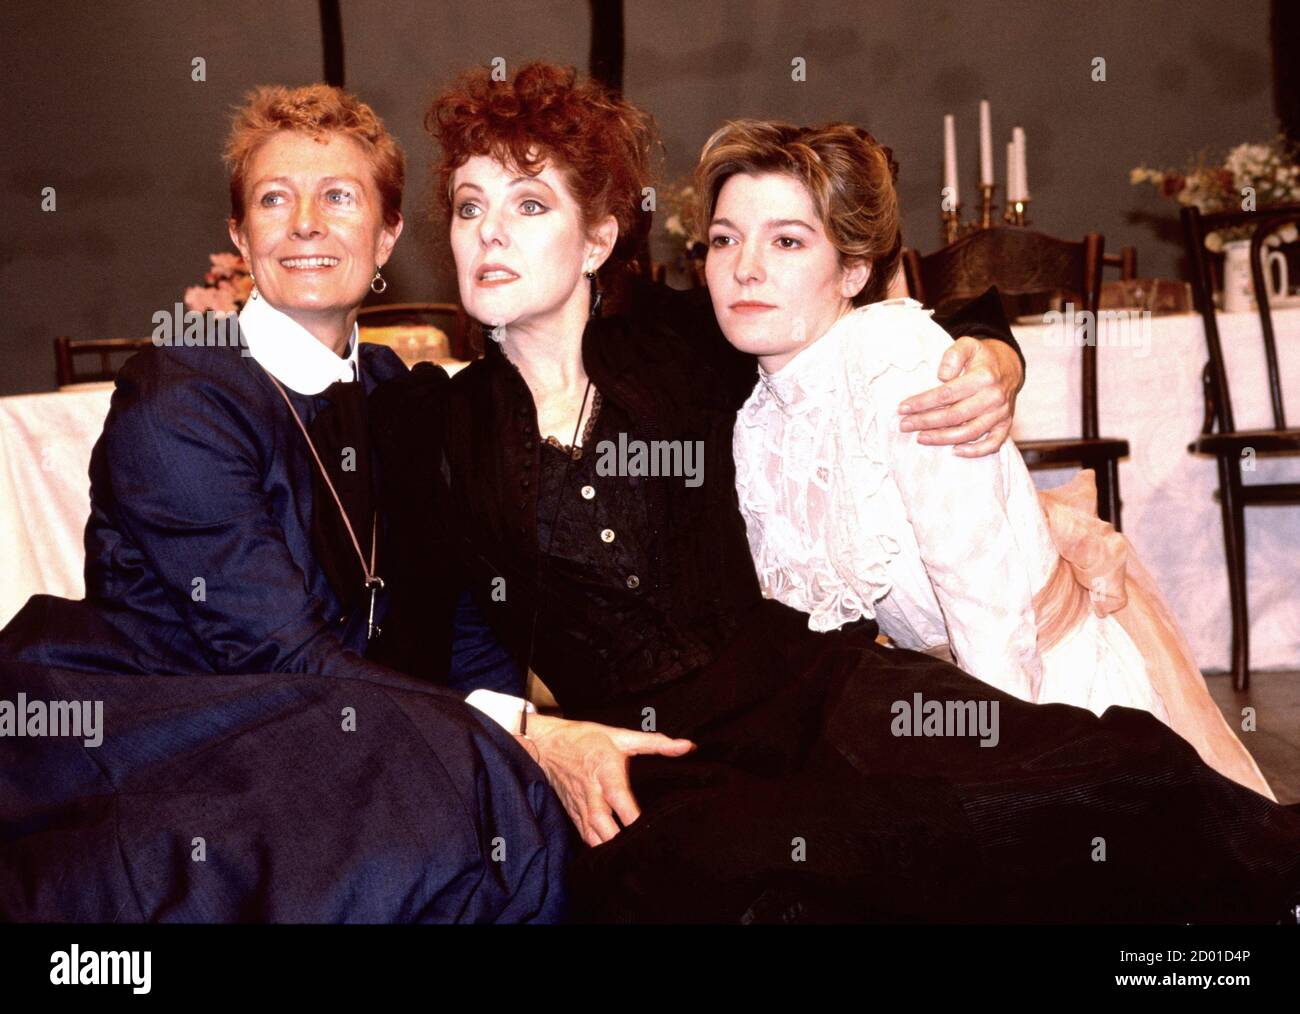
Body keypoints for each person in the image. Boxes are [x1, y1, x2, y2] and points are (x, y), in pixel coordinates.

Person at [373, 61, 1300, 923]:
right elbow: (410, 660)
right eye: (466, 207)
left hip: (818, 689)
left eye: (528, 204)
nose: (488, 232)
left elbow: (893, 302)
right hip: (651, 761)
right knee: (771, 880)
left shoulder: (687, 344)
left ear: (599, 238)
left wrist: (992, 358)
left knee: (1117, 769)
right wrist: (541, 732)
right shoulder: (432, 427)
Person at [0, 84, 569, 922]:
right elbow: (279, 658)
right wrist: (525, 738)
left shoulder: (397, 395)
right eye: (274, 198)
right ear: (240, 235)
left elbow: (464, 617)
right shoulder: (180, 397)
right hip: (185, 755)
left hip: (354, 748)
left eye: (338, 196)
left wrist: (518, 740)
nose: (305, 222)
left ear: (388, 235)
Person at [709, 119, 1274, 799]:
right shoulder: (764, 411)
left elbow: (991, 621)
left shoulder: (901, 373)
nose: (746, 267)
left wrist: (1000, 796)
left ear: (853, 270)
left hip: (1045, 707)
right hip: (940, 705)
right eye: (724, 240)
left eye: (788, 241)